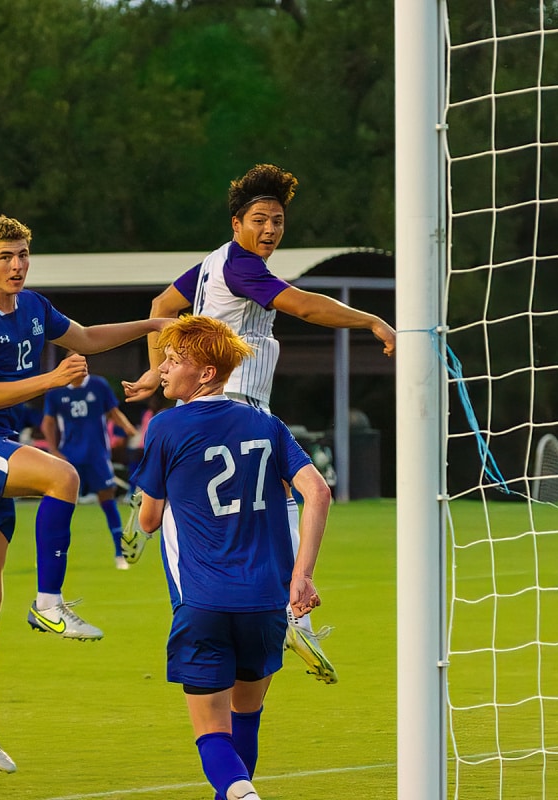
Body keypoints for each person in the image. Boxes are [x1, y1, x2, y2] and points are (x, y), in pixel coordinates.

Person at [122, 163, 396, 684]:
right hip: (228, 409)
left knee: (281, 507)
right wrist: (371, 319)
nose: (270, 229)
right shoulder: (241, 268)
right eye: (259, 219)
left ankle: (293, 615)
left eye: (278, 221)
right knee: (256, 510)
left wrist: (158, 370)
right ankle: (252, 616)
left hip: (237, 411)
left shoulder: (214, 264)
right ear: (236, 224)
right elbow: (306, 308)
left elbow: (162, 307)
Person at [0, 215, 169, 773]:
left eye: (23, 255)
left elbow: (85, 340)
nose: (17, 265)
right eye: (6, 257)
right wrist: (52, 381)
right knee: (64, 476)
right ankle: (49, 605)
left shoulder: (34, 307)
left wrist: (156, 322)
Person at [132, 315, 331, 800]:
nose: (162, 369)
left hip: (202, 601)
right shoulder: (266, 423)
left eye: (174, 361)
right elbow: (318, 492)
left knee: (211, 731)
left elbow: (149, 521)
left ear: (205, 374)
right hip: (267, 602)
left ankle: (242, 794)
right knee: (247, 717)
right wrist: (302, 575)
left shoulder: (166, 426)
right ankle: (240, 792)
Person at [42, 366, 138, 569]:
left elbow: (113, 412)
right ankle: (48, 554)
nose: (82, 369)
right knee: (60, 506)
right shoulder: (56, 391)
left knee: (108, 501)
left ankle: (120, 554)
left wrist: (128, 427)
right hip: (70, 456)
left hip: (97, 455)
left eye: (84, 364)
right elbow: (47, 423)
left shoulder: (98, 385)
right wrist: (53, 450)